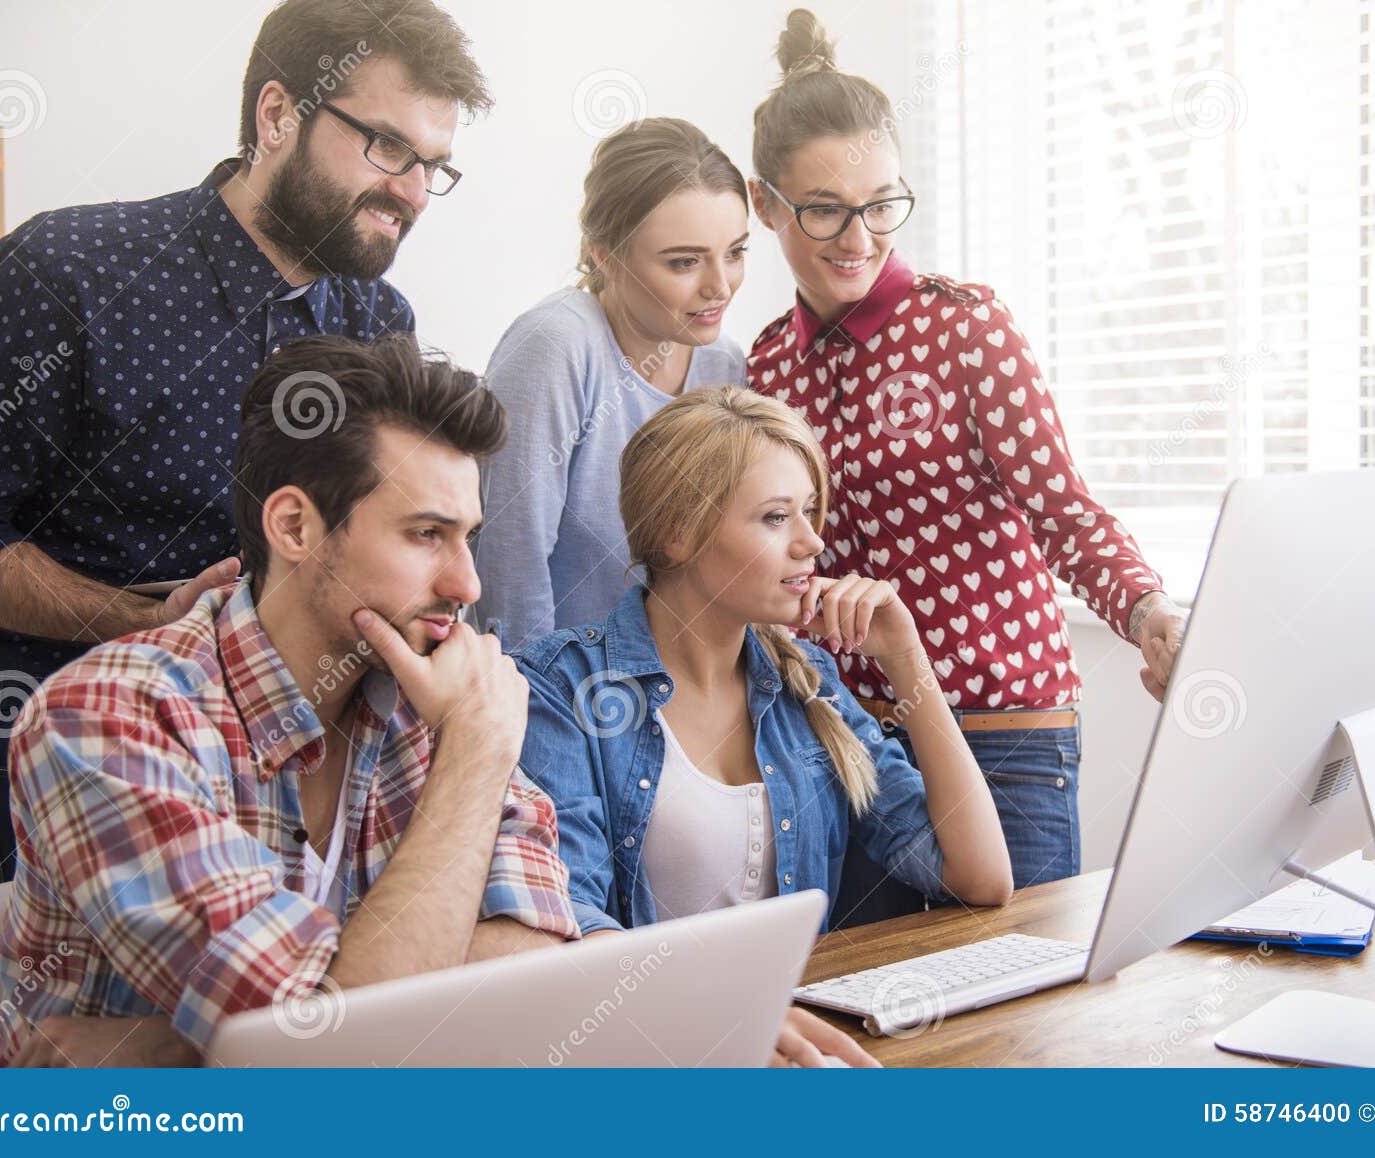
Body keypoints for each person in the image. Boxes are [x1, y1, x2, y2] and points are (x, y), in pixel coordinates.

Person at [0, 0, 490, 887]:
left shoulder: (378, 325)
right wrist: (144, 619)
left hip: (309, 756)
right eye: (388, 148)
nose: (409, 190)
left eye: (432, 166)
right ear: (277, 115)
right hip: (79, 748)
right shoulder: (69, 274)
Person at [0, 334, 578, 1066]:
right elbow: (333, 1065)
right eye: (426, 534)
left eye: (469, 539)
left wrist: (193, 1049)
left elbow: (542, 964)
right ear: (295, 527)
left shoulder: (439, 694)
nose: (468, 586)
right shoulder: (106, 716)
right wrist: (476, 758)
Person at [746, 9, 1188, 922]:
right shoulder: (767, 366)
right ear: (765, 205)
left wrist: (1144, 608)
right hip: (851, 749)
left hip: (1004, 735)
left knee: (1018, 1029)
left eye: (881, 205)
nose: (858, 238)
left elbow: (1063, 510)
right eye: (824, 209)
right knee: (877, 1018)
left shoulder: (964, 326)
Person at [513, 386, 1012, 1064]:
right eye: (776, 517)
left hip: (791, 1052)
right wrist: (723, 1017)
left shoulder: (806, 680)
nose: (812, 543)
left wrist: (906, 656)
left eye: (809, 512)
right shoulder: (560, 685)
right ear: (677, 532)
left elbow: (979, 876)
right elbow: (569, 921)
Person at [472, 118, 750, 649]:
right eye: (685, 261)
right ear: (604, 251)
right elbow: (511, 567)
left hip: (676, 694)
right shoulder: (555, 347)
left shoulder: (723, 364)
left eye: (735, 252)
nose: (720, 287)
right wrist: (540, 716)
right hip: (563, 699)